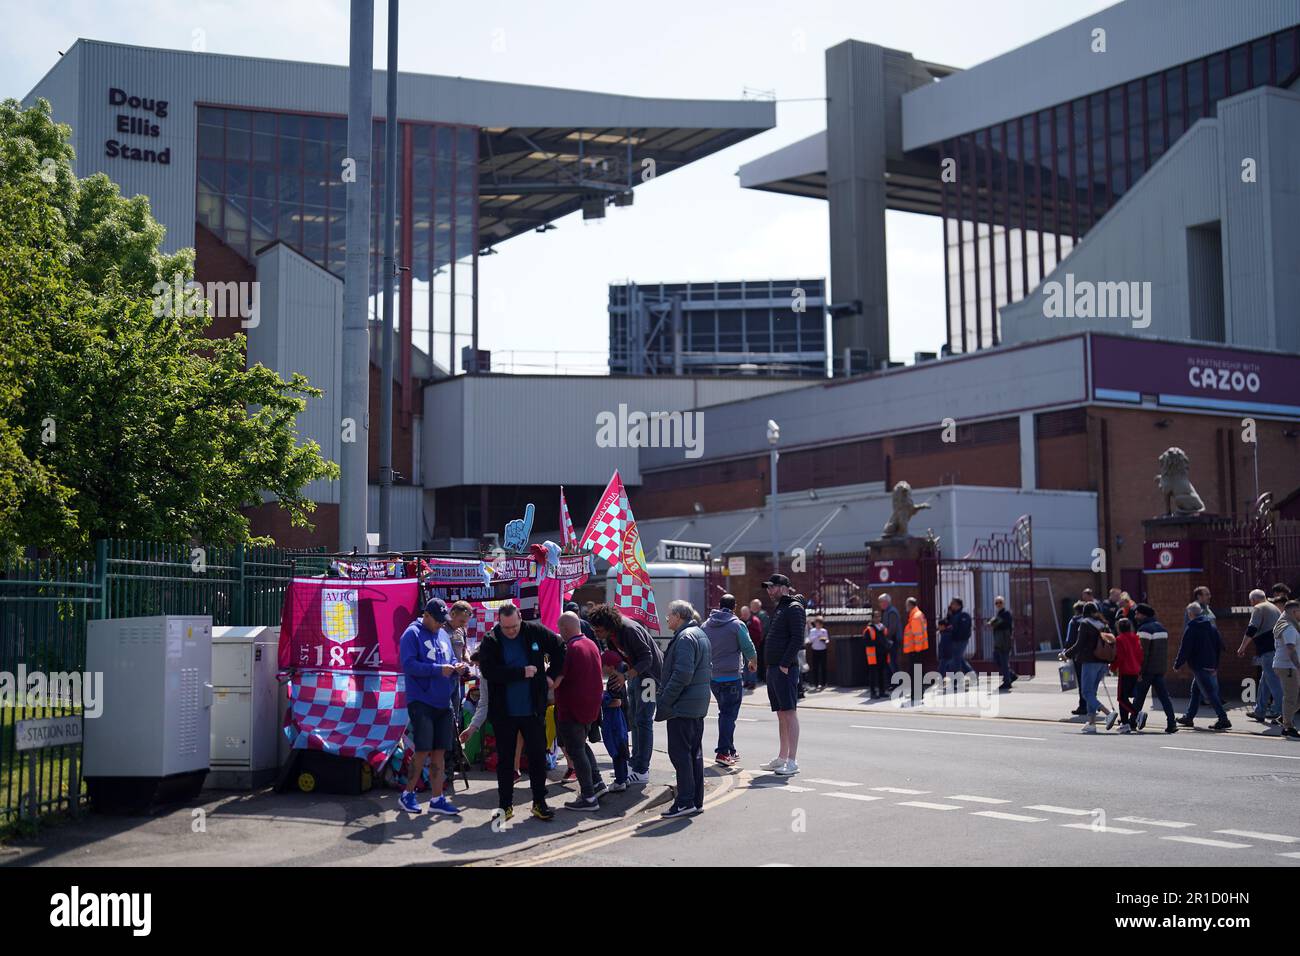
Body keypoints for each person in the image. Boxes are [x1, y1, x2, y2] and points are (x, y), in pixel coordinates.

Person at [477, 602, 566, 822]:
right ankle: (505, 806)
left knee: (537, 758)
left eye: (515, 626)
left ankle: (539, 802)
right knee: (505, 761)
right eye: (507, 628)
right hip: (504, 712)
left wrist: (551, 676)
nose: (511, 631)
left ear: (519, 618)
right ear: (499, 622)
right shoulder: (491, 640)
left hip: (532, 710)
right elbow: (488, 671)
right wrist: (521, 672)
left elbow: (560, 648)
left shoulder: (534, 631)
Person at [398, 598, 469, 815]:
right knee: (422, 749)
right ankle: (407, 794)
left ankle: (437, 799)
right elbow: (409, 665)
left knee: (440, 751)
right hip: (421, 701)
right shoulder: (411, 634)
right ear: (426, 615)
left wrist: (457, 667)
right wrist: (439, 670)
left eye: (442, 620)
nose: (440, 624)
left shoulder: (443, 634)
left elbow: (446, 660)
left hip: (443, 701)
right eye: (437, 620)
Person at [588, 603, 662, 785]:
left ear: (609, 626)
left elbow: (647, 658)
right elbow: (618, 657)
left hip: (650, 677)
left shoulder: (629, 630)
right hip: (637, 675)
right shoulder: (612, 634)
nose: (597, 634)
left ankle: (641, 769)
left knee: (643, 721)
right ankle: (634, 763)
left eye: (598, 631)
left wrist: (626, 675)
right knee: (634, 719)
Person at [657, 600, 712, 818]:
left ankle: (685, 801)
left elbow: (682, 674)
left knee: (681, 755)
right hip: (696, 705)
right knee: (693, 755)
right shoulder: (698, 633)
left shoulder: (685, 638)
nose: (667, 619)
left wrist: (666, 700)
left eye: (669, 615)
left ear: (679, 616)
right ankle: (695, 801)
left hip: (682, 706)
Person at [552, 611, 607, 811]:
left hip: (572, 708)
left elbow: (557, 681)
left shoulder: (571, 649)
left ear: (565, 629)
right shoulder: (590, 644)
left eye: (560, 629)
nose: (560, 632)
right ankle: (598, 783)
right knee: (581, 746)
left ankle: (588, 797)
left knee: (576, 751)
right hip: (589, 707)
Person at [702, 593, 757, 766]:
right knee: (728, 715)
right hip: (732, 677)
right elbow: (748, 646)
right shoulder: (736, 625)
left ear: (719, 605)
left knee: (725, 713)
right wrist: (753, 661)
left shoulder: (706, 625)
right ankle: (723, 752)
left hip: (713, 678)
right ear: (734, 607)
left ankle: (730, 749)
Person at [759, 574, 805, 775]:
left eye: (773, 587)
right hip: (774, 668)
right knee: (780, 714)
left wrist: (785, 664)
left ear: (785, 587)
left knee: (789, 712)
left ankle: (792, 761)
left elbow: (797, 639)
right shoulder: (780, 608)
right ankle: (782, 757)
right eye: (768, 588)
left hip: (784, 668)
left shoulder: (794, 608)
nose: (769, 591)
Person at [1174, 602, 1230, 731]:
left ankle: (1223, 718)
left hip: (1199, 665)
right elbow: (1221, 646)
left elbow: (1185, 649)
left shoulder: (1191, 628)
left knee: (1210, 693)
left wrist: (1177, 664)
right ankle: (1189, 717)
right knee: (1196, 691)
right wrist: (1215, 665)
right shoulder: (1211, 626)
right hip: (1210, 664)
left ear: (1190, 614)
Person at [1062, 601, 1110, 733]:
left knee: (1086, 692)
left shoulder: (1085, 623)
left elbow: (1079, 644)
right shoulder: (1103, 624)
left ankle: (1108, 713)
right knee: (1092, 693)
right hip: (1103, 662)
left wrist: (1066, 654)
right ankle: (1092, 723)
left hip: (1089, 662)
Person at [1237, 589, 1282, 727]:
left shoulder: (1258, 608)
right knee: (1265, 681)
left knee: (1273, 682)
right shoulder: (1273, 607)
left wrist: (1242, 647)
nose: (1251, 604)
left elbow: (1252, 628)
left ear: (1253, 600)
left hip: (1268, 649)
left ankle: (1279, 712)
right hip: (1276, 648)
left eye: (1251, 601)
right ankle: (1260, 711)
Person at [1129, 603, 1177, 733]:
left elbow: (1142, 654)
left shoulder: (1144, 630)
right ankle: (1172, 723)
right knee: (1164, 697)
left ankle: (1132, 722)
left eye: (1137, 613)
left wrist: (1139, 671)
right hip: (1159, 669)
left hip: (1146, 671)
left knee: (1139, 697)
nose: (1135, 615)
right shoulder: (1162, 628)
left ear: (1143, 614)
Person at [600, 650, 632, 790]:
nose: (600, 668)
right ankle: (624, 778)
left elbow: (617, 702)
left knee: (617, 751)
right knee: (622, 750)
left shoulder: (614, 680)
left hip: (615, 721)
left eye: (602, 665)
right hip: (621, 721)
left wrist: (601, 699)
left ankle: (620, 782)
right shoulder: (618, 678)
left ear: (610, 667)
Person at [1272, 601, 1300, 739]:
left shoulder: (1288, 624)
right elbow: (1290, 649)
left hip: (1287, 666)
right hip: (1288, 667)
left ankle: (1284, 717)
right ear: (1294, 612)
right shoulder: (1289, 627)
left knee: (1295, 697)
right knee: (1291, 697)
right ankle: (1288, 727)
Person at [1108, 618, 1142, 732]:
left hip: (1125, 671)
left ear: (1119, 628)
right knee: (1125, 698)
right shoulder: (1135, 638)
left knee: (1121, 698)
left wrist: (1112, 667)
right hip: (1135, 670)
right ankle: (1125, 722)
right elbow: (1140, 655)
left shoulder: (1120, 639)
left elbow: (1120, 656)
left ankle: (1137, 714)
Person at [937, 597, 974, 689]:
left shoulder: (963, 616)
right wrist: (949, 616)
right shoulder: (953, 615)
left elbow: (963, 630)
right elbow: (946, 624)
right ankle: (972, 675)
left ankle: (956, 682)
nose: (951, 605)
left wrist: (955, 633)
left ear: (958, 605)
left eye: (953, 604)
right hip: (953, 640)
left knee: (956, 660)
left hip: (960, 641)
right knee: (959, 659)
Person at [1062, 601, 1088, 716]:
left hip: (1078, 655)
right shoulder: (1090, 621)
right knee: (1089, 681)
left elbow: (1070, 639)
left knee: (1081, 681)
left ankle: (1083, 706)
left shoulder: (1074, 622)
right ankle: (1091, 703)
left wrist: (1066, 652)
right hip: (1091, 655)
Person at [900, 596, 929, 696]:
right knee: (917, 671)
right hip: (917, 649)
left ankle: (916, 693)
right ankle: (919, 692)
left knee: (915, 672)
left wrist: (917, 650)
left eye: (906, 605)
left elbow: (918, 635)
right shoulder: (917, 614)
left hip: (915, 650)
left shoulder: (915, 616)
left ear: (910, 605)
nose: (905, 607)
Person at [989, 596, 1015, 691]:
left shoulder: (1006, 613)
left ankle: (1007, 681)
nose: (998, 604)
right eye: (996, 603)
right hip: (998, 641)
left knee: (1003, 660)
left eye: (1000, 602)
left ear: (1003, 603)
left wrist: (995, 623)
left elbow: (1006, 625)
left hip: (1004, 641)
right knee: (997, 658)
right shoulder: (999, 614)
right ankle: (1011, 675)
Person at [877, 594, 903, 685]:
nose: (879, 604)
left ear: (886, 602)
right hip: (889, 641)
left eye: (880, 602)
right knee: (891, 662)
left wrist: (885, 637)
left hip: (893, 641)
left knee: (893, 662)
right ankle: (893, 683)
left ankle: (897, 683)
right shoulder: (886, 611)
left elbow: (892, 628)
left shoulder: (892, 612)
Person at [863, 619, 887, 699]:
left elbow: (885, 637)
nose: (878, 618)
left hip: (881, 654)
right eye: (876, 616)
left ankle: (882, 691)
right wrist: (877, 643)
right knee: (873, 674)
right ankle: (873, 693)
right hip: (873, 655)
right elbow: (866, 642)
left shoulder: (882, 627)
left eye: (879, 616)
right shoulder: (869, 629)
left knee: (881, 673)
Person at [739, 605, 759, 691]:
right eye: (743, 614)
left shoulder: (755, 621)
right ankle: (746, 681)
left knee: (752, 664)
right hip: (742, 647)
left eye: (746, 614)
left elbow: (758, 634)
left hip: (752, 646)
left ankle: (752, 682)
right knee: (744, 665)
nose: (744, 616)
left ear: (749, 613)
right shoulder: (739, 622)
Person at [806, 616, 829, 691]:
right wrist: (817, 636)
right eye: (817, 623)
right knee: (815, 667)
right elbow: (810, 640)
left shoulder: (824, 631)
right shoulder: (812, 631)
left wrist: (825, 640)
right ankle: (816, 684)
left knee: (823, 667)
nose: (818, 625)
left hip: (823, 649)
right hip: (815, 650)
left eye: (820, 623)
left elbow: (827, 639)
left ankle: (824, 683)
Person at [749, 598, 768, 679]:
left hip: (761, 642)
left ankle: (761, 676)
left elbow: (764, 628)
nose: (752, 607)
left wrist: (760, 640)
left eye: (754, 605)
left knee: (761, 659)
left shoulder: (763, 614)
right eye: (751, 605)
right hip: (753, 641)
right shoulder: (750, 615)